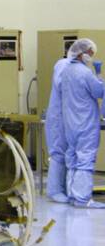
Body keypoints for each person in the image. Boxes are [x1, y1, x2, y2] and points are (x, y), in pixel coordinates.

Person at [59, 39, 105, 209]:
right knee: (85, 158)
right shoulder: (84, 73)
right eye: (90, 54)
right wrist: (99, 75)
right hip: (85, 122)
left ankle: (72, 195)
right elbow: (99, 91)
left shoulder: (67, 71)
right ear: (82, 53)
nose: (91, 57)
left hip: (71, 122)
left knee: (72, 157)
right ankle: (82, 198)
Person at [44, 53, 71, 203]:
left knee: (68, 154)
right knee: (58, 153)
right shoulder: (63, 65)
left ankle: (66, 188)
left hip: (69, 119)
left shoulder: (77, 68)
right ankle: (54, 190)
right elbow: (62, 83)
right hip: (59, 118)